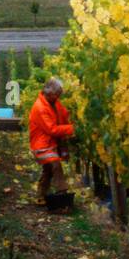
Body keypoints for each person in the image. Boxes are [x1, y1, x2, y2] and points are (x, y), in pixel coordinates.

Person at [29, 77, 74, 205]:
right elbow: (52, 129)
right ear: (49, 93)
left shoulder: (54, 102)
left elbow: (63, 113)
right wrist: (72, 128)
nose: (59, 97)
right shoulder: (40, 108)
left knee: (48, 170)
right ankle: (62, 193)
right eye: (57, 94)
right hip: (41, 145)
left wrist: (74, 117)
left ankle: (40, 196)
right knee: (55, 165)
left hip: (49, 143)